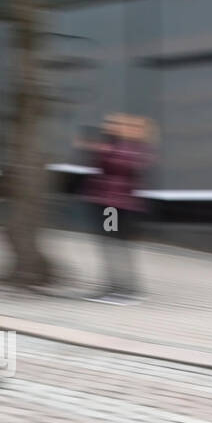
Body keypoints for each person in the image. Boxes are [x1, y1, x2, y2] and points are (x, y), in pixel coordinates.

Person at [78, 113, 154, 304]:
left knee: (114, 245)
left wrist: (101, 151)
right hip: (108, 203)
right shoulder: (118, 146)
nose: (108, 126)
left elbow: (120, 167)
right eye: (108, 123)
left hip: (115, 206)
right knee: (111, 245)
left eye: (114, 124)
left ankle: (124, 289)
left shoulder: (130, 148)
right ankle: (116, 286)